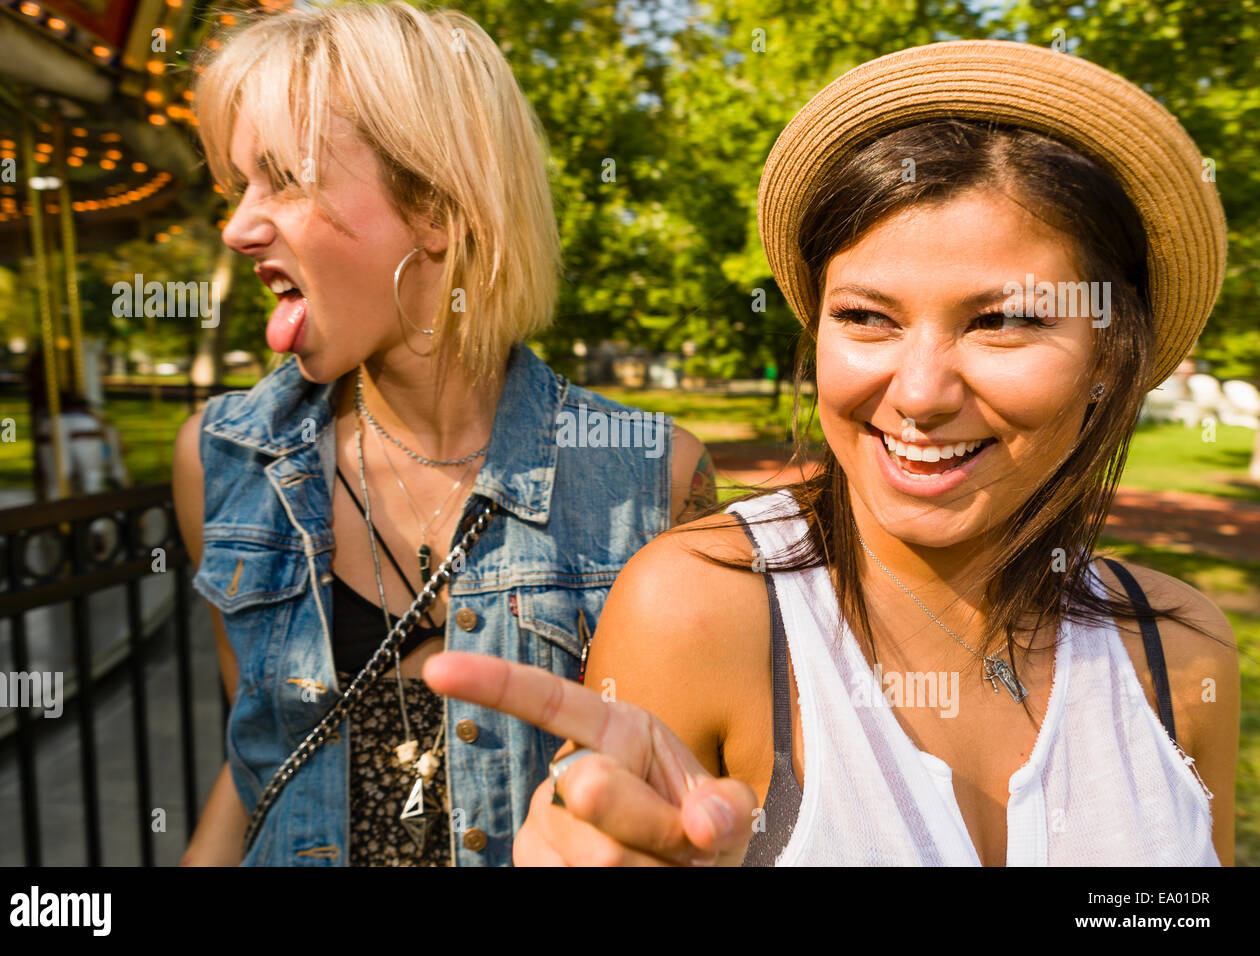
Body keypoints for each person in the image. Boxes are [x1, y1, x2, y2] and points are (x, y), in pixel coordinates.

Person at [424, 39, 1240, 866]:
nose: (920, 393)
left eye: (1002, 321)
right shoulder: (701, 612)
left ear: (1107, 357)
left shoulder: (1180, 654)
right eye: (865, 317)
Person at [171, 1, 713, 866]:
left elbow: (670, 802)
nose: (238, 227)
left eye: (284, 178)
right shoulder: (224, 458)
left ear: (434, 207)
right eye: (240, 187)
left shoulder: (652, 479)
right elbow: (256, 771)